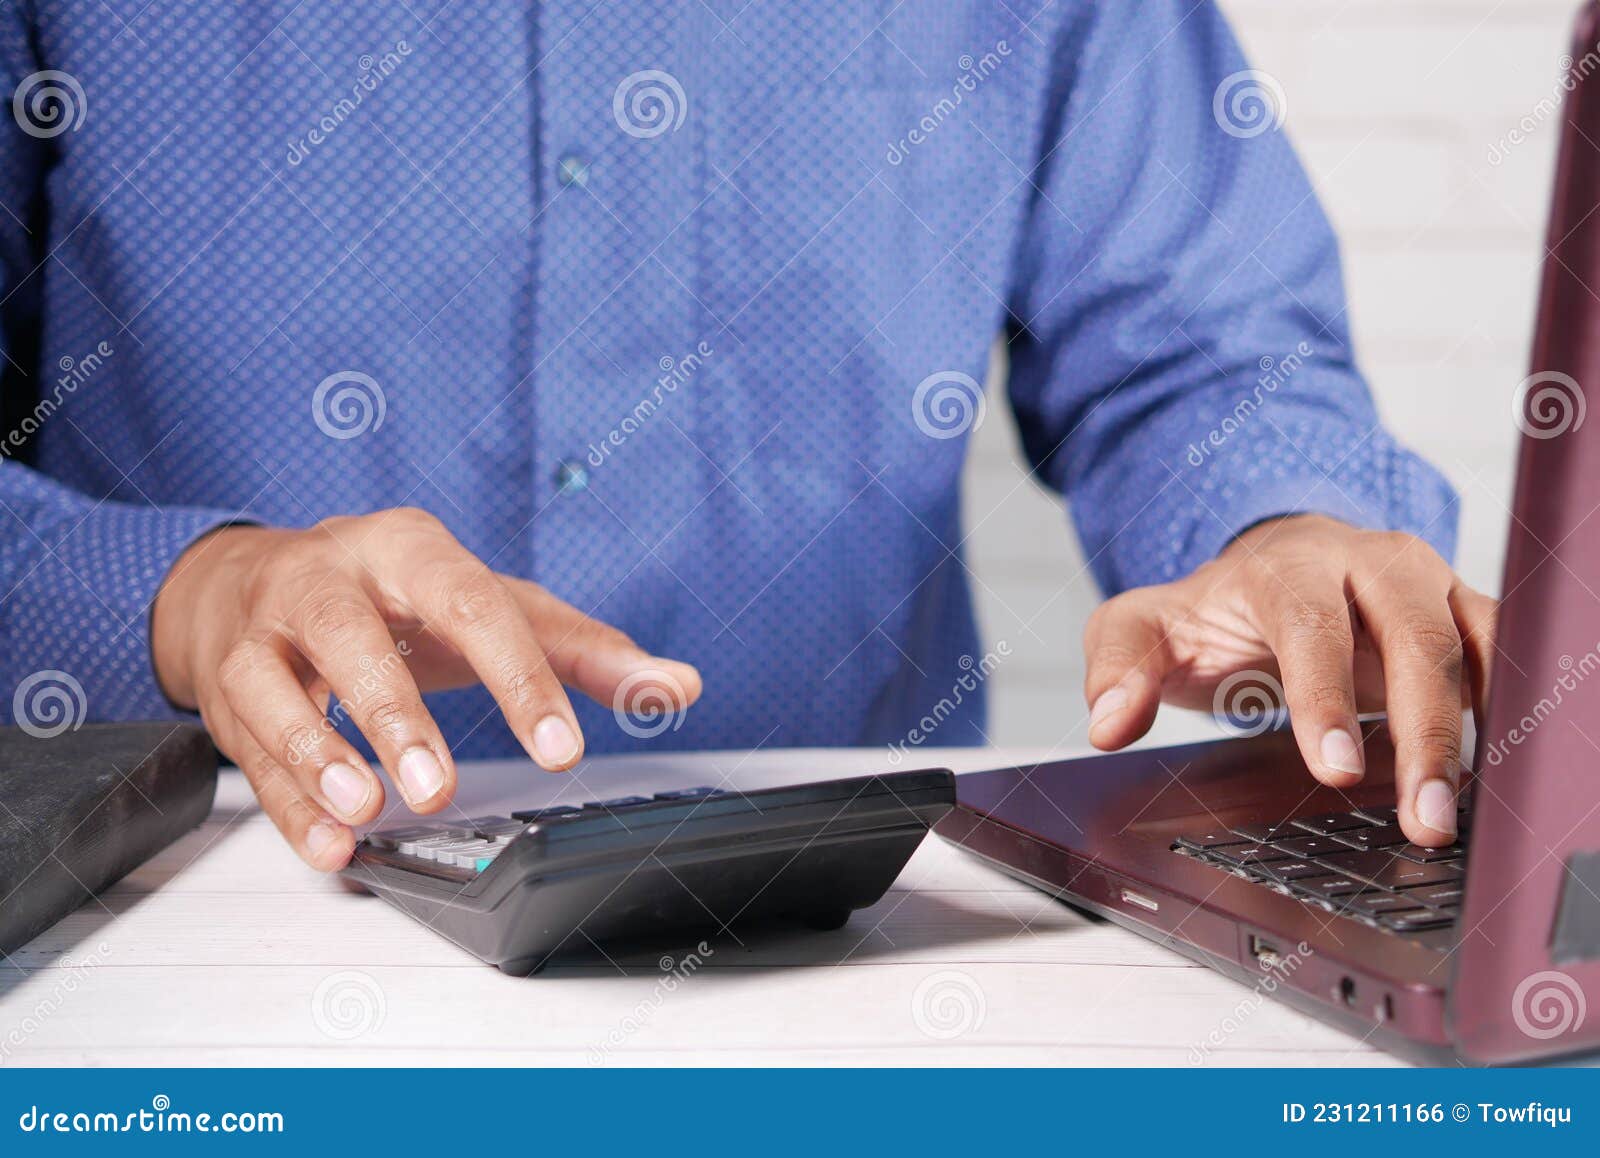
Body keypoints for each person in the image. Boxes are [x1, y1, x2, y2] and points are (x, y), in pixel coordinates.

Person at [0, 2, 1492, 869]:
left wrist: (1281, 530)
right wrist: (188, 596)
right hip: (185, 914)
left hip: (852, 940)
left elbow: (1197, 348)